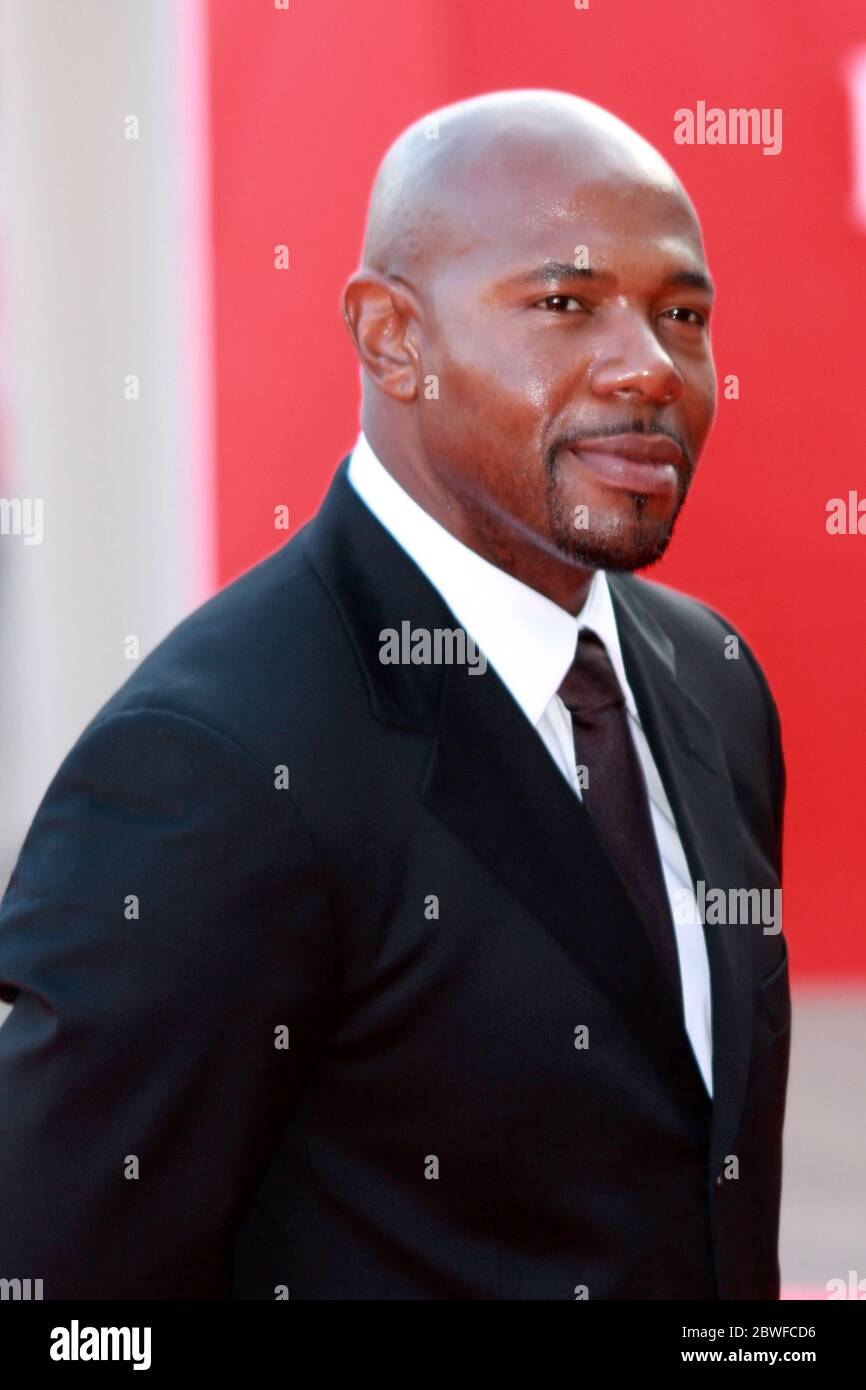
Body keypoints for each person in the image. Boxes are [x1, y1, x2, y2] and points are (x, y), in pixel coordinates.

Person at [0, 89, 790, 1300]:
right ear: (390, 339)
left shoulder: (712, 683)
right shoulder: (211, 762)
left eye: (680, 313)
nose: (648, 366)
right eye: (565, 303)